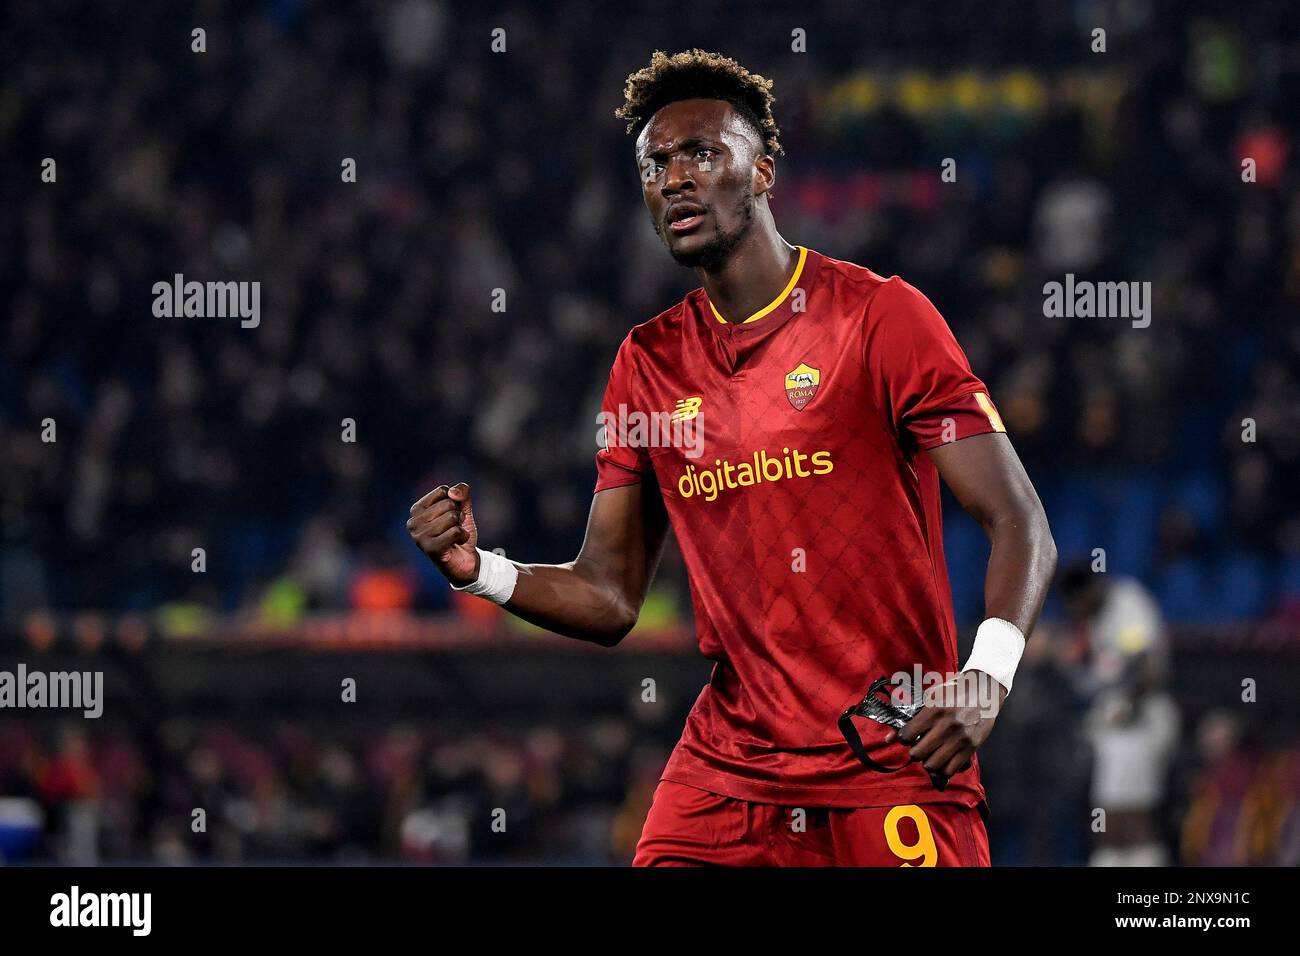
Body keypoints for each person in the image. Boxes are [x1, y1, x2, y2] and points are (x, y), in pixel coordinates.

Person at [408, 49, 1057, 866]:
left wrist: (987, 677)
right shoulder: (646, 367)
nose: (676, 178)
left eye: (702, 154)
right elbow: (610, 595)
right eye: (656, 165)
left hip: (891, 758)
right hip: (729, 774)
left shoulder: (879, 319)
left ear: (763, 173)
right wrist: (480, 571)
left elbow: (1018, 519)